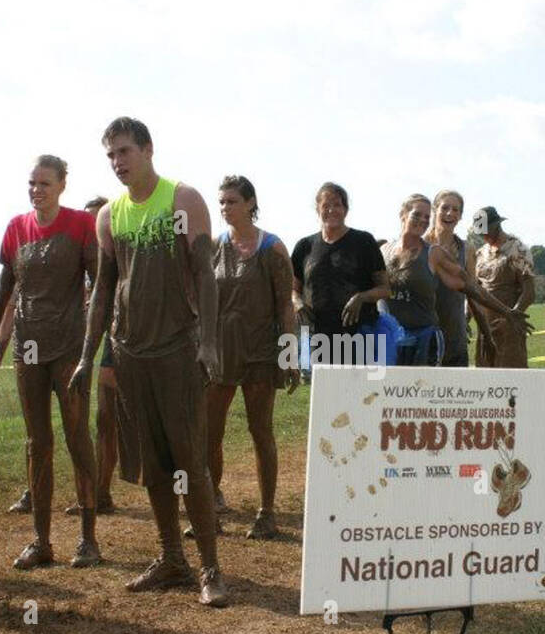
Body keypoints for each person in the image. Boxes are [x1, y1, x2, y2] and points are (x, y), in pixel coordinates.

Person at [70, 117, 227, 607]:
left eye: (125, 152)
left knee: (191, 463)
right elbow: (101, 293)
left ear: (148, 149)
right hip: (130, 352)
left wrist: (208, 342)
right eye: (111, 155)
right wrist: (87, 355)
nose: (118, 163)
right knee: (152, 464)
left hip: (178, 349)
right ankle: (171, 558)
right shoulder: (108, 216)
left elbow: (205, 273)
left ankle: (211, 569)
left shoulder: (183, 200)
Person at [0, 156, 102, 571]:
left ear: (63, 184)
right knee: (37, 443)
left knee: (77, 437)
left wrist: (92, 345)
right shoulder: (16, 228)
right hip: (28, 348)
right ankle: (41, 541)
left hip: (69, 347)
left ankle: (88, 539)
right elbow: (2, 291)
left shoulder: (82, 225)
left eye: (44, 182)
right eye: (32, 183)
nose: (36, 190)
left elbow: (100, 285)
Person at [0, 197, 114, 517]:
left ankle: (98, 496)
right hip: (34, 344)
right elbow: (8, 300)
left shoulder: (92, 245)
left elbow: (106, 289)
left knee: (91, 427)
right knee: (37, 436)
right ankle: (35, 499)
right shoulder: (35, 246)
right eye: (33, 184)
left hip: (82, 342)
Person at [203, 175, 298, 540]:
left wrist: (289, 355)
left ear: (250, 203)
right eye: (222, 201)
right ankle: (210, 506)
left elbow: (285, 308)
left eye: (232, 201)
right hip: (222, 352)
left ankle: (267, 512)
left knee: (261, 431)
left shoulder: (272, 248)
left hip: (261, 352)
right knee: (210, 433)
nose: (225, 208)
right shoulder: (214, 246)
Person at [384, 195, 524, 367]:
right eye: (417, 215)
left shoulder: (437, 254)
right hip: (391, 344)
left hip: (433, 340)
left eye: (456, 209)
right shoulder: (384, 250)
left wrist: (504, 314)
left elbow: (472, 289)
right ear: (403, 214)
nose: (423, 220)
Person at [291, 182, 391, 368]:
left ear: (346, 208)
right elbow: (293, 289)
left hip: (360, 334)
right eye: (326, 205)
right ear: (317, 209)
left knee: (361, 394)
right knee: (323, 393)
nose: (331, 210)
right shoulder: (304, 246)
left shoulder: (364, 241)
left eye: (337, 204)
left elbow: (385, 289)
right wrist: (297, 303)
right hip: (319, 336)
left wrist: (361, 297)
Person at [472, 206, 535, 368]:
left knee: (512, 380)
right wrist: (466, 316)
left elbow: (529, 292)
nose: (484, 236)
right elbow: (474, 290)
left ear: (497, 226)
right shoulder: (480, 254)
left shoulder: (517, 250)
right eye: (481, 233)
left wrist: (512, 316)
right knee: (484, 381)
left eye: (486, 231)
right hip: (484, 329)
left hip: (510, 329)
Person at [424, 189, 475, 367]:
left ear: (461, 216)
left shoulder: (467, 250)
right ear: (434, 210)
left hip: (455, 339)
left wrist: (471, 320)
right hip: (424, 338)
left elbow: (473, 292)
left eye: (456, 210)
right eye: (445, 207)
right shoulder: (419, 246)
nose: (450, 213)